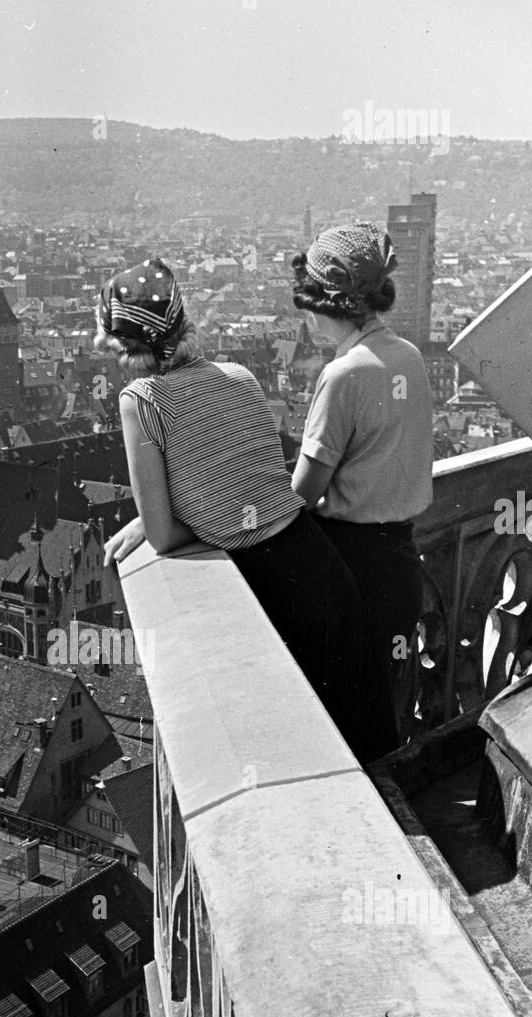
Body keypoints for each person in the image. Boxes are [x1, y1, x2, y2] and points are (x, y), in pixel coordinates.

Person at [99, 256, 365, 755]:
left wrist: (154, 518)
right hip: (320, 565)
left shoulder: (142, 400)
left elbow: (164, 537)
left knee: (296, 754)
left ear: (121, 345)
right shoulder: (240, 376)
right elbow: (240, 481)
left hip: (266, 592)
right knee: (358, 748)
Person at [290, 222, 433, 762]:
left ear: (328, 303)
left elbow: (302, 495)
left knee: (344, 721)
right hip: (400, 561)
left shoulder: (343, 374)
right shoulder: (409, 357)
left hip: (350, 568)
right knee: (383, 711)